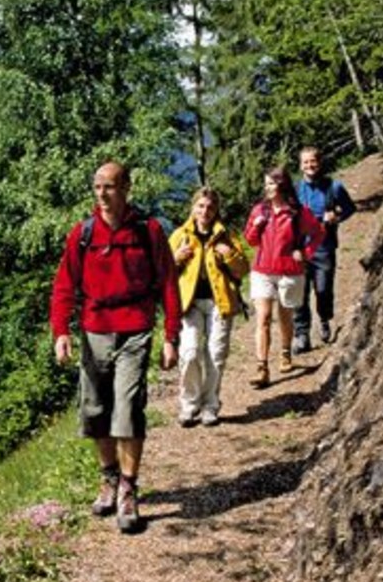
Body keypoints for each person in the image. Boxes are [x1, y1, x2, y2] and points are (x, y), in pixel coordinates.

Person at [50, 161, 181, 534]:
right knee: (95, 411)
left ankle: (127, 487)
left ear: (126, 188)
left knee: (127, 408)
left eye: (109, 187)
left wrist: (170, 336)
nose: (102, 195)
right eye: (97, 187)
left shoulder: (148, 232)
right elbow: (64, 286)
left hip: (136, 329)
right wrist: (62, 331)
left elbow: (168, 285)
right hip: (94, 331)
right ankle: (108, 477)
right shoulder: (83, 235)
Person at [168, 187, 249, 427]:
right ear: (193, 208)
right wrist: (176, 258)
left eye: (210, 207)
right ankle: (189, 404)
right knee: (190, 352)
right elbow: (162, 272)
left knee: (216, 355)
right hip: (189, 304)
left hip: (220, 302)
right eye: (201, 206)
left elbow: (243, 269)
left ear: (216, 211)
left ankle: (210, 405)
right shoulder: (180, 235)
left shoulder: (226, 235)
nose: (205, 211)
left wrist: (230, 256)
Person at [243, 167, 325, 388]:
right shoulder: (260, 210)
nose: (267, 188)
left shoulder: (298, 212)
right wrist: (257, 225)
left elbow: (318, 233)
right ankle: (262, 368)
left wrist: (306, 253)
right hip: (262, 271)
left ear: (282, 185)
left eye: (271, 183)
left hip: (290, 271)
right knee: (263, 317)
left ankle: (286, 352)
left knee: (285, 316)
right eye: (266, 184)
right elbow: (250, 240)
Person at [294, 146, 356, 352]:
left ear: (319, 163)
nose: (310, 165)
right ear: (300, 165)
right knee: (299, 294)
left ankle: (324, 319)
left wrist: (336, 217)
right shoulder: (294, 191)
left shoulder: (334, 187)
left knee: (323, 290)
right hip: (299, 250)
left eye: (313, 161)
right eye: (306, 162)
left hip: (324, 247)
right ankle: (302, 335)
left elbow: (350, 208)